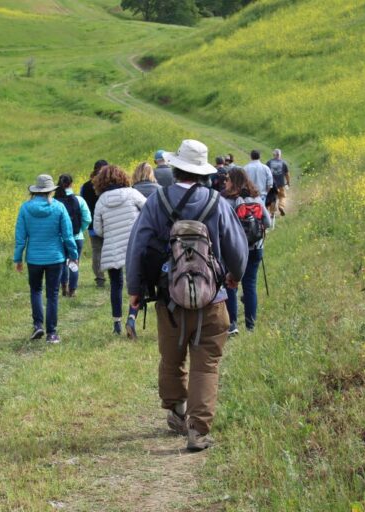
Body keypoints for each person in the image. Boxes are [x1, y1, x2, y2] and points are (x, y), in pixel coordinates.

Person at [126, 139, 248, 452]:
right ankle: (198, 430)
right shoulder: (216, 202)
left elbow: (137, 246)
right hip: (213, 298)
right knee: (206, 364)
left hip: (169, 299)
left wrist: (135, 291)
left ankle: (176, 411)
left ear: (177, 167)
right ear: (202, 171)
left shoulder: (158, 201)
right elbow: (237, 248)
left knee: (171, 355)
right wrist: (234, 277)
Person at [14, 174, 79, 344]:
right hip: (55, 257)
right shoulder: (59, 207)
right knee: (52, 294)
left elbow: (21, 238)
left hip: (34, 258)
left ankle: (37, 325)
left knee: (35, 291)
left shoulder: (25, 208)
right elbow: (67, 235)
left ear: (36, 191)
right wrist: (73, 255)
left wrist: (18, 258)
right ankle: (51, 332)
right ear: (51, 191)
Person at [92, 165, 146, 335]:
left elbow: (98, 230)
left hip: (112, 247)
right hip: (134, 246)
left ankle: (117, 323)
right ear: (123, 176)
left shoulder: (101, 200)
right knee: (136, 283)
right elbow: (149, 211)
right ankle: (132, 317)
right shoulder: (133, 193)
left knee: (116, 284)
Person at [221, 167, 272, 335]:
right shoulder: (256, 198)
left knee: (230, 285)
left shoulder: (226, 200)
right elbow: (268, 223)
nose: (225, 182)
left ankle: (232, 325)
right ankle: (250, 326)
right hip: (255, 248)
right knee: (250, 285)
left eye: (227, 179)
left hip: (234, 250)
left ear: (233, 181)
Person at [55, 174, 91, 297]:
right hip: (76, 237)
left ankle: (64, 286)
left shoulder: (55, 201)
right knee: (73, 262)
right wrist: (80, 229)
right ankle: (72, 290)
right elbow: (87, 218)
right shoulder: (79, 200)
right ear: (71, 184)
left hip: (60, 238)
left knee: (62, 263)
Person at [80, 160, 108, 288]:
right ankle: (115, 275)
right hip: (108, 222)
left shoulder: (85, 186)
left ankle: (100, 278)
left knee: (97, 251)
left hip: (92, 224)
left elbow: (83, 205)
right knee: (111, 249)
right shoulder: (108, 185)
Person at [267, 148, 291, 216]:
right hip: (281, 184)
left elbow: (266, 172)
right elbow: (287, 174)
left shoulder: (269, 162)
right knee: (282, 197)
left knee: (272, 197)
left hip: (271, 184)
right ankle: (281, 206)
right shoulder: (284, 163)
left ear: (273, 155)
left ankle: (272, 212)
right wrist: (288, 182)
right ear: (280, 155)